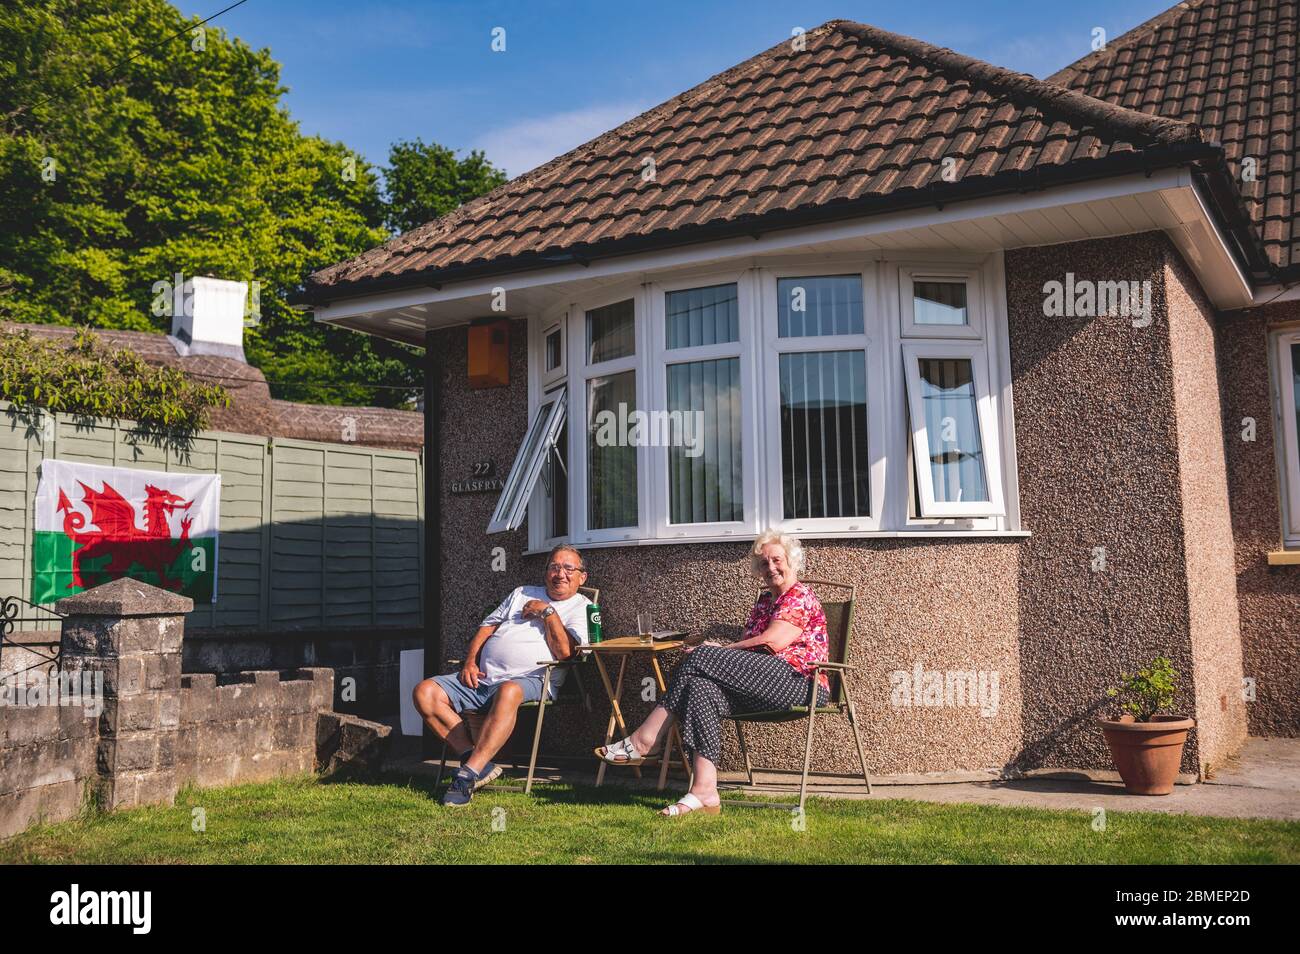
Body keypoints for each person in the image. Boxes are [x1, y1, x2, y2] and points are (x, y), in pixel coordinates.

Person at [595, 530, 830, 816]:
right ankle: (704, 792)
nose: (770, 568)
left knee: (703, 656)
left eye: (776, 560)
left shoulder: (799, 596)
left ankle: (645, 740)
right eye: (764, 564)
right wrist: (722, 653)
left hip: (799, 683)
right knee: (698, 687)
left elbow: (773, 642)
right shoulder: (765, 602)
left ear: (791, 560)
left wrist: (719, 651)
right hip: (764, 683)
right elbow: (748, 652)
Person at [412, 544, 592, 806]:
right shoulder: (521, 593)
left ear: (582, 576)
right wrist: (470, 661)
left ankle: (466, 777)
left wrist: (548, 612)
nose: (560, 574)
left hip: (533, 680)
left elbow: (565, 653)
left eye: (568, 568)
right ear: (546, 572)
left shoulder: (581, 607)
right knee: (425, 692)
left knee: (509, 689)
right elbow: (488, 626)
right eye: (554, 567)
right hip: (483, 677)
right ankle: (476, 761)